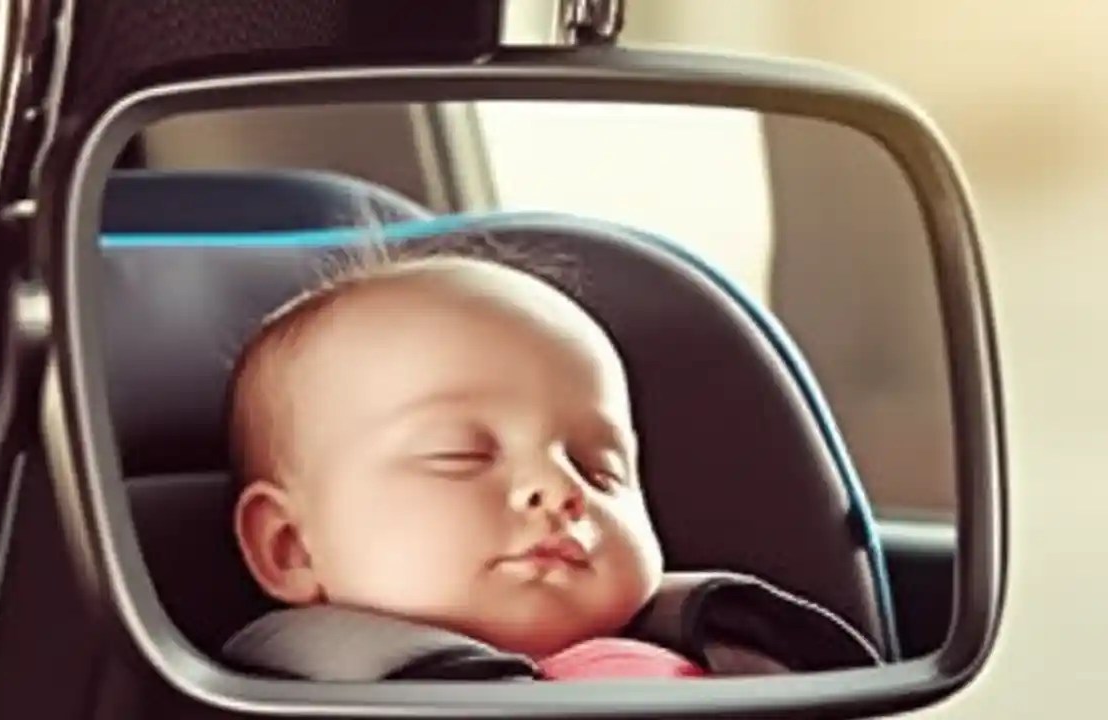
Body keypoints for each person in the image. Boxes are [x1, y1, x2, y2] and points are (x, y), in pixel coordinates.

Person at [220, 244, 881, 681]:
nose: (559, 490)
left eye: (600, 469)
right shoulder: (309, 698)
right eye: (462, 453)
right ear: (291, 547)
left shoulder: (732, 652)